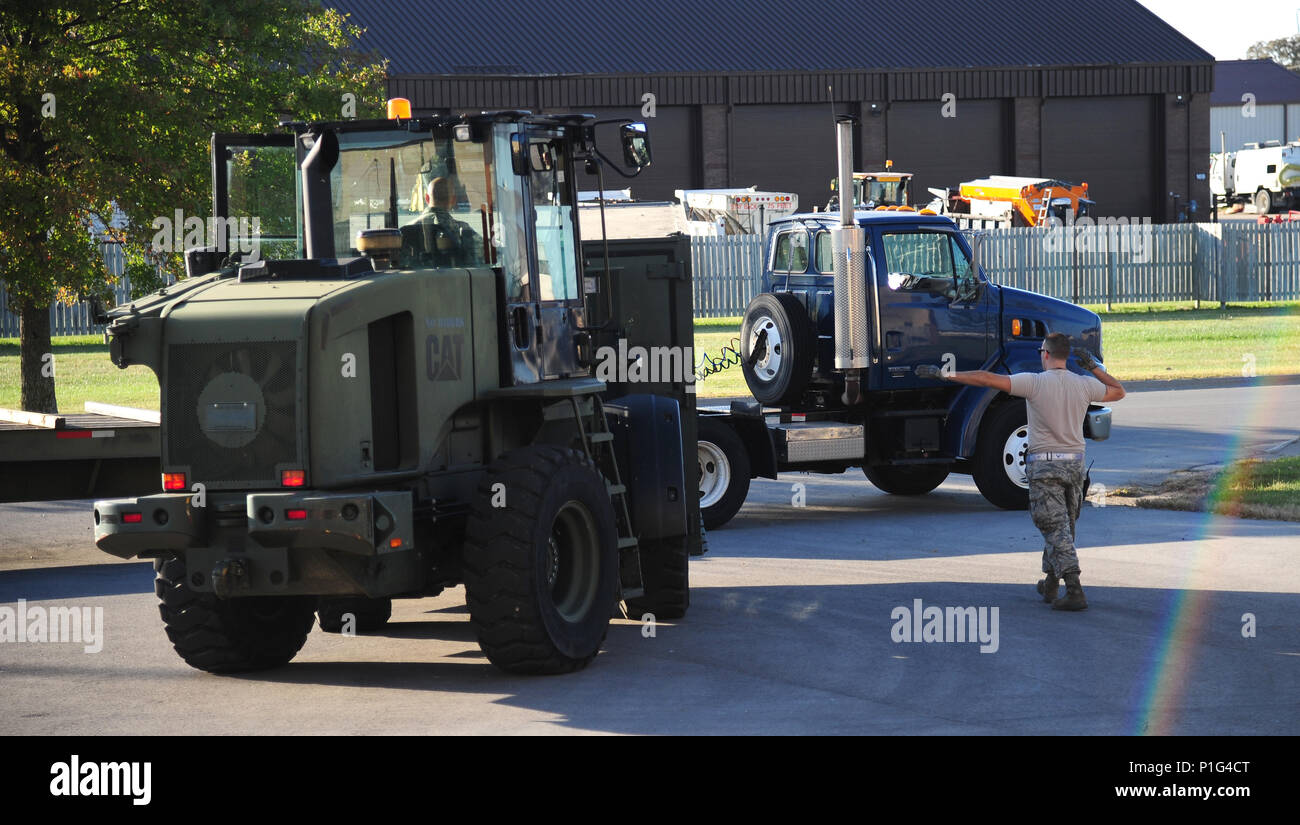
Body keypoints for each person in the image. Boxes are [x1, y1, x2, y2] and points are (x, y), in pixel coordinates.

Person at [916, 332, 1125, 610]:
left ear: (1046, 354)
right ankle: (1051, 585)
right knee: (1063, 526)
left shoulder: (1034, 383)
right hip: (1075, 466)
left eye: (1041, 351)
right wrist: (1094, 368)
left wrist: (946, 375)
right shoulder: (1084, 384)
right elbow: (1119, 391)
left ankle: (1075, 590)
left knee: (1054, 527)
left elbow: (986, 379)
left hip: (1046, 466)